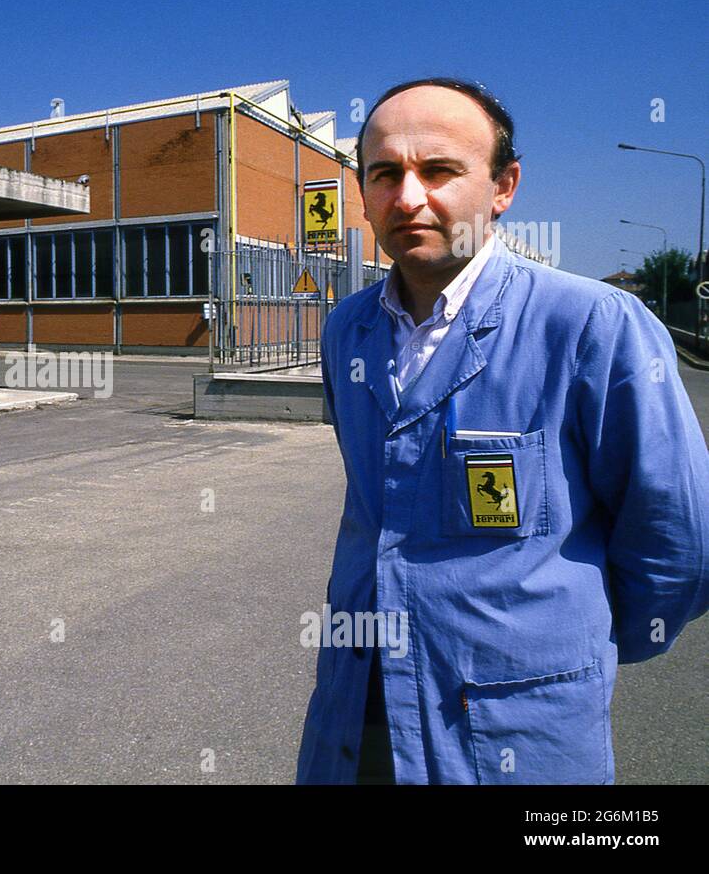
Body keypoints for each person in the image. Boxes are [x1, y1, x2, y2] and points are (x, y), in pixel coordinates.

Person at [297, 77, 709, 785]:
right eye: (385, 173)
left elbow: (679, 539)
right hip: (359, 703)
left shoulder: (591, 326)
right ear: (362, 193)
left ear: (503, 186)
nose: (409, 197)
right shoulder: (347, 331)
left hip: (513, 728)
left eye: (439, 170)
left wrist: (565, 642)